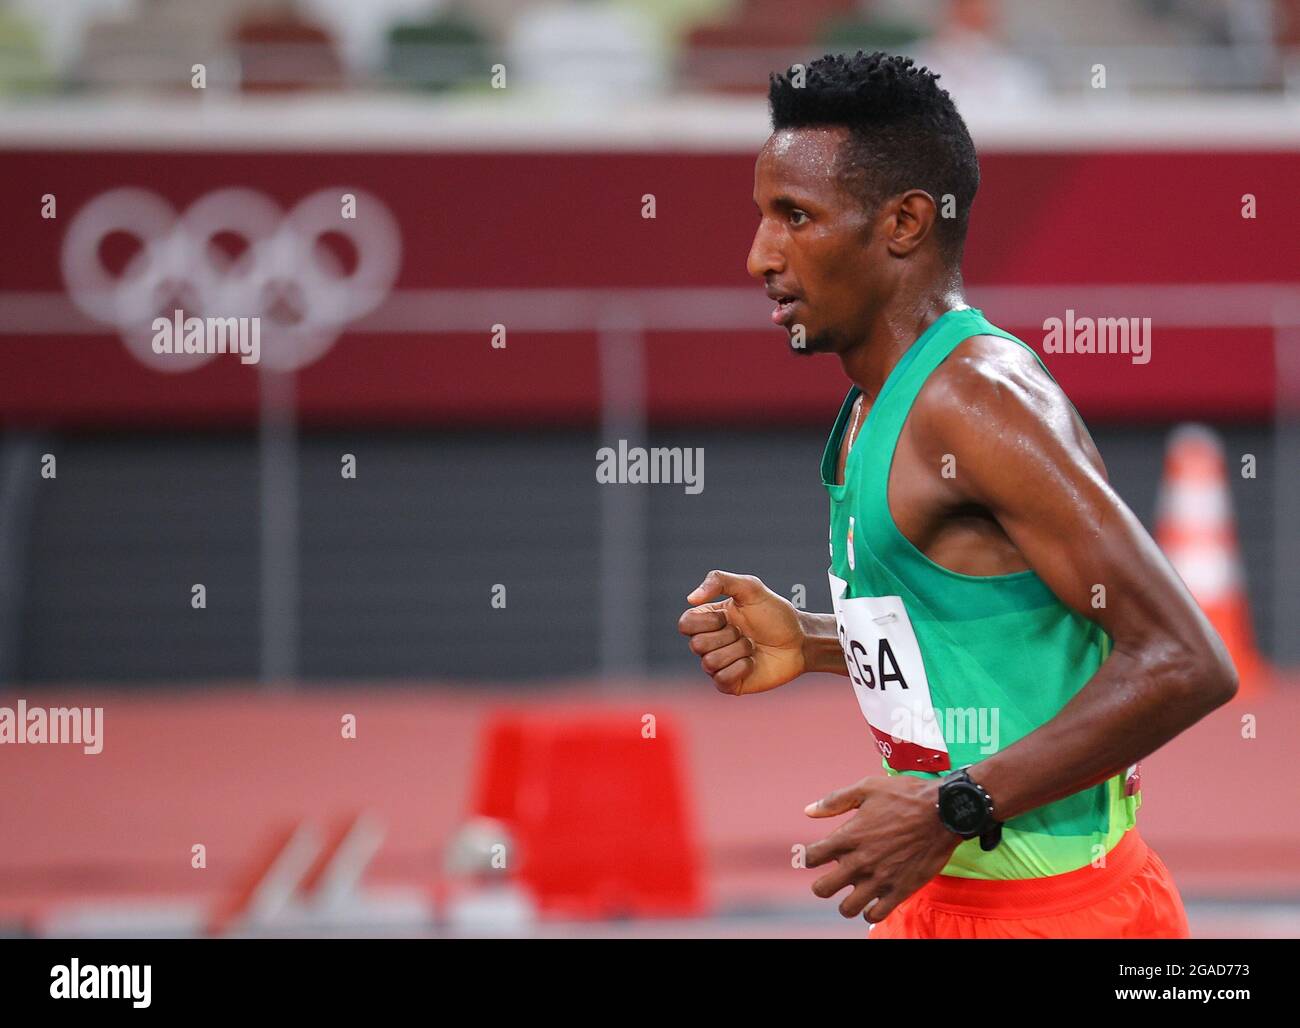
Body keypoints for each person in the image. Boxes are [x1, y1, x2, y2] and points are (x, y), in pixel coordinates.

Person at [677, 51, 1237, 938]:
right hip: (939, 896)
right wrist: (816, 641)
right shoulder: (876, 402)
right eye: (762, 217)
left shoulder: (976, 401)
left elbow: (1186, 660)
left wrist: (953, 808)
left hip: (1058, 914)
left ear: (902, 223)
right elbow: (995, 634)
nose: (759, 257)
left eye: (795, 217)